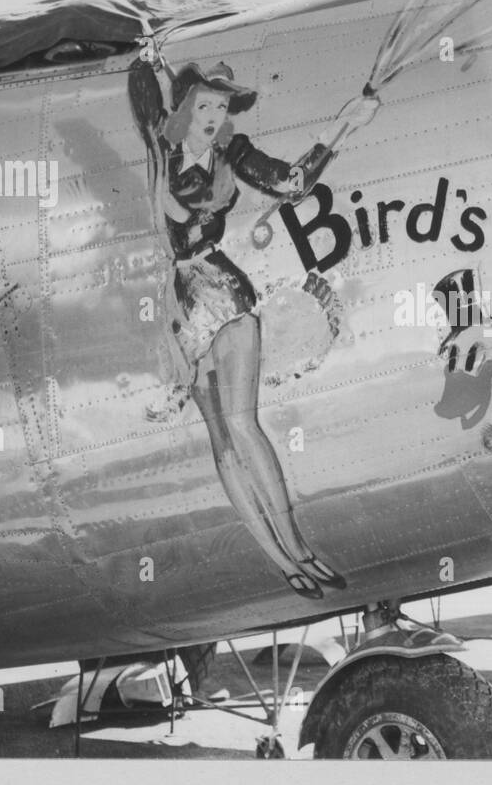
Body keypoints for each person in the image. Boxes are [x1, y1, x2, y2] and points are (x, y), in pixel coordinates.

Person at [143, 60, 378, 600]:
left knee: (244, 425)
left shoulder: (233, 152)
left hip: (224, 294)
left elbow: (292, 183)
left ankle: (299, 547)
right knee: (222, 444)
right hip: (182, 309)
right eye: (204, 105)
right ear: (183, 109)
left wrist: (342, 127)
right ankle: (281, 562)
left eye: (221, 107)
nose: (213, 116)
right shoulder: (162, 148)